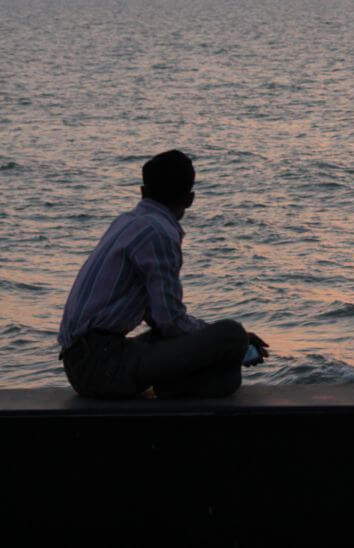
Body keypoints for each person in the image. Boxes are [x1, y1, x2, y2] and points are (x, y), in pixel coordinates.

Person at [58, 149, 269, 399]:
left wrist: (204, 337)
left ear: (142, 192)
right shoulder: (158, 232)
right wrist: (235, 340)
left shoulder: (127, 222)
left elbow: (158, 319)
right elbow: (170, 320)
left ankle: (179, 383)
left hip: (84, 361)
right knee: (231, 335)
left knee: (218, 363)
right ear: (190, 199)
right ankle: (174, 386)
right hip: (101, 366)